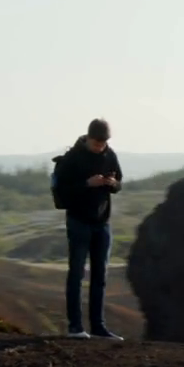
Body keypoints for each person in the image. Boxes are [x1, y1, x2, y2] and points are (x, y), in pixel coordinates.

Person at [52, 118, 123, 339]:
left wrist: (112, 184)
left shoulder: (110, 155)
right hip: (79, 222)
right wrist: (86, 184)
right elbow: (62, 192)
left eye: (103, 143)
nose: (100, 147)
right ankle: (75, 326)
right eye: (96, 143)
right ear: (88, 138)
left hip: (102, 223)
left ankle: (98, 327)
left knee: (100, 276)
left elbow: (119, 183)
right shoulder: (73, 158)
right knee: (77, 274)